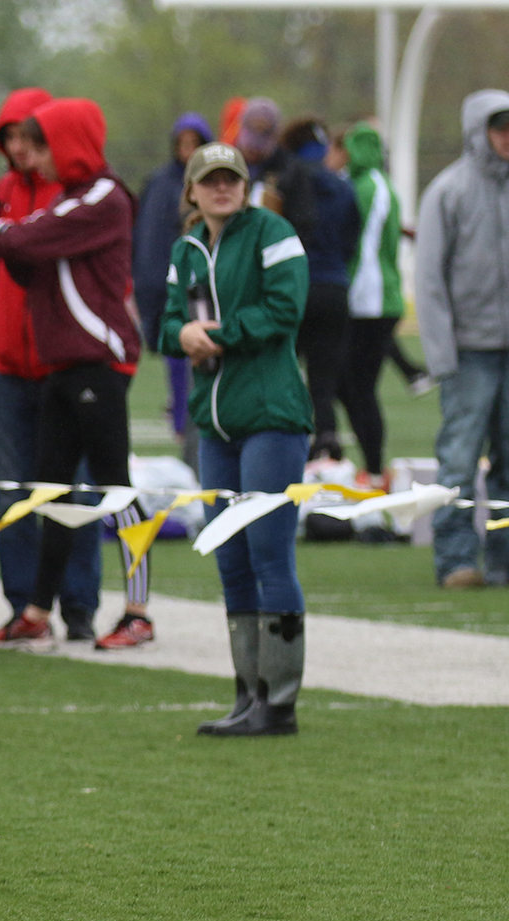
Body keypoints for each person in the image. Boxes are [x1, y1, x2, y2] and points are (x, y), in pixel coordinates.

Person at [0, 98, 152, 651]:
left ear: (70, 144)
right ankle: (38, 610)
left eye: (43, 144)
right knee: (51, 491)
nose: (33, 157)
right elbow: (26, 255)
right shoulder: (69, 199)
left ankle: (137, 611)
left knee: (116, 488)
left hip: (100, 363)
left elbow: (26, 237)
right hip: (60, 368)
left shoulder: (102, 196)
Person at [0, 88, 110, 644]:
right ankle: (23, 607)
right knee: (14, 494)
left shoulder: (76, 195)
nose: (18, 147)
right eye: (9, 136)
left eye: (28, 137)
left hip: (66, 368)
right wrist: (1, 329)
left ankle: (80, 605)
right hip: (12, 370)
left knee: (77, 493)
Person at [160, 142, 313, 735]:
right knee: (230, 557)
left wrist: (218, 334)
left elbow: (286, 308)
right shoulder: (187, 248)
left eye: (232, 178)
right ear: (192, 189)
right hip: (216, 421)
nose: (222, 187)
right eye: (210, 179)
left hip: (271, 413)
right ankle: (248, 695)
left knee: (270, 554)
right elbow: (167, 320)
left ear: (246, 185)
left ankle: (280, 703)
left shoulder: (272, 231)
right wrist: (184, 334)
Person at [416, 90, 509, 588]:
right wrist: (441, 357)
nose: (507, 137)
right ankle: (455, 561)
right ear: (479, 131)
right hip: (468, 352)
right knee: (458, 460)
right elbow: (428, 280)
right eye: (500, 128)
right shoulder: (447, 191)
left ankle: (503, 560)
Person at [278, 116, 361, 462]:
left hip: (297, 287)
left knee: (283, 371)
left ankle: (289, 444)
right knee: (323, 382)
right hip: (335, 288)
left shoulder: (286, 180)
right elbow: (351, 237)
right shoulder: (343, 186)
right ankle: (328, 446)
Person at [132, 113, 212, 457]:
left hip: (198, 290)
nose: (187, 150)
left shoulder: (208, 186)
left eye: (195, 144)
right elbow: (144, 237)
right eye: (183, 143)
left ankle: (193, 435)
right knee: (175, 362)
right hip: (159, 284)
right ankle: (184, 430)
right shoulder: (158, 182)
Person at [340, 121, 404, 480]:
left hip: (373, 301)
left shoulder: (372, 187)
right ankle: (373, 462)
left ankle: (376, 467)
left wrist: (345, 292)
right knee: (349, 385)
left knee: (359, 387)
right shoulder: (367, 184)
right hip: (368, 300)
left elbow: (365, 249)